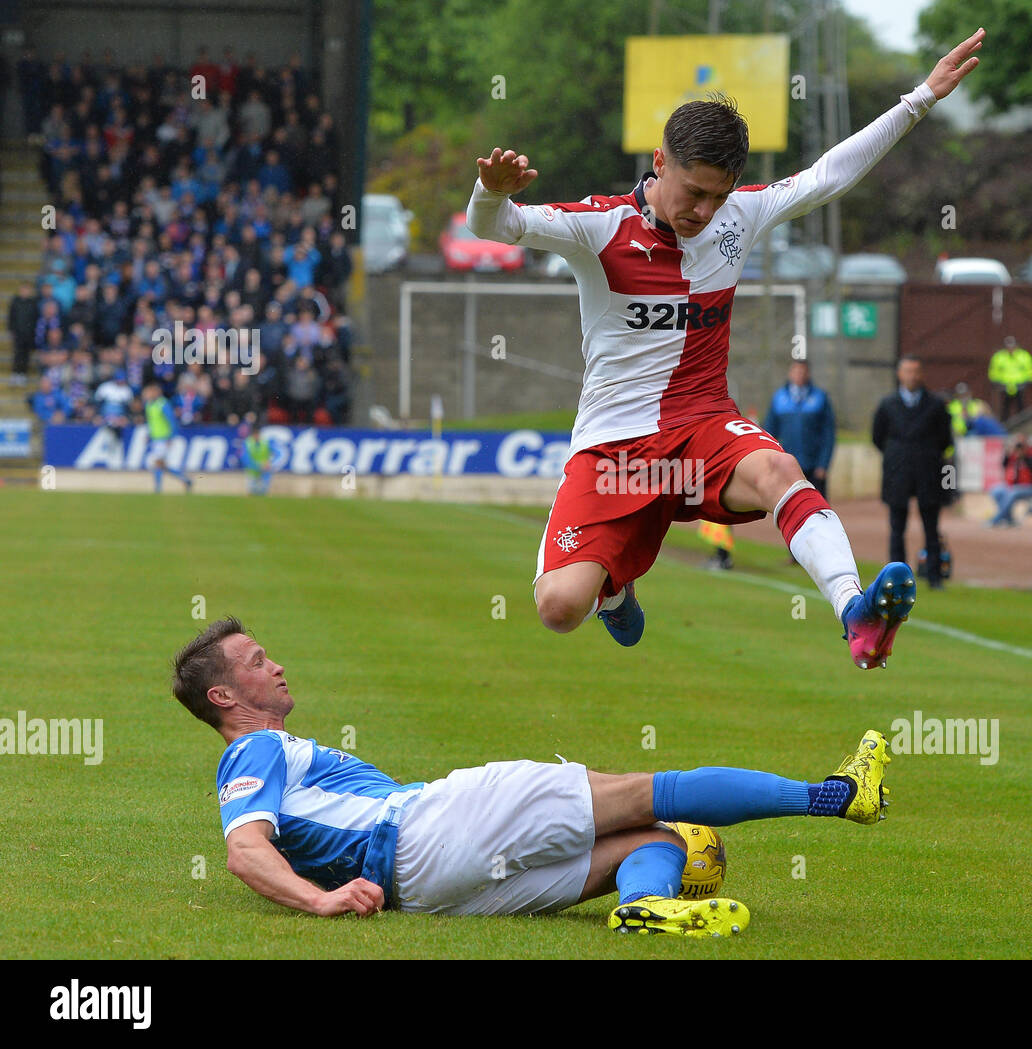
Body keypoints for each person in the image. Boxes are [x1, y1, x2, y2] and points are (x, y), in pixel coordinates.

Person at [465, 27, 986, 671]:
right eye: (694, 192)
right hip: (615, 451)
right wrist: (491, 191)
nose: (706, 210)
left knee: (779, 472)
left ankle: (856, 613)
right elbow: (498, 226)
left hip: (702, 430)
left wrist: (920, 98)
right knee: (558, 609)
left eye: (718, 194)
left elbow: (829, 175)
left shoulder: (740, 214)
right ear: (659, 163)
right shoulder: (598, 228)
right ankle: (613, 587)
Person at [173, 618, 893, 935]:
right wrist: (319, 902)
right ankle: (836, 795)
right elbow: (245, 850)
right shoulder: (253, 750)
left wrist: (332, 891)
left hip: (426, 892)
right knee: (649, 789)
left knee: (659, 838)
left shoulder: (273, 754)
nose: (277, 664)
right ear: (225, 697)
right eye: (258, 660)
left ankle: (648, 906)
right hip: (430, 825)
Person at [872, 356, 953, 590]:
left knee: (931, 527)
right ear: (900, 374)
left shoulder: (936, 405)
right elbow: (878, 437)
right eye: (907, 371)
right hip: (898, 472)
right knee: (897, 527)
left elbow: (945, 438)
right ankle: (896, 577)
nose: (912, 376)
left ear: (922, 374)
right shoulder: (888, 404)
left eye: (916, 371)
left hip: (928, 472)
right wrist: (897, 454)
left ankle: (935, 576)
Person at [762, 360, 836, 498]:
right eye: (796, 371)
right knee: (789, 509)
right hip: (787, 467)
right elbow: (769, 433)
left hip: (813, 467)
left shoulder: (820, 398)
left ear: (808, 374)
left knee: (817, 510)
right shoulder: (779, 398)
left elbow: (828, 434)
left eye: (803, 371)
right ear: (790, 373)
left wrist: (823, 464)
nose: (799, 375)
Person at [142, 382, 193, 492]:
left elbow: (172, 421)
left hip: (164, 439)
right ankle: (186, 480)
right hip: (155, 439)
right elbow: (151, 423)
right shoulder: (148, 405)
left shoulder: (163, 404)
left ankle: (158, 489)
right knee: (162, 466)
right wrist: (149, 435)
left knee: (157, 463)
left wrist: (171, 437)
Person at [987, 434, 1032, 527]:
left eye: (1021, 444)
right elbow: (1004, 465)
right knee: (996, 490)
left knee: (1013, 492)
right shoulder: (1014, 454)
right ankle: (1009, 519)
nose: (1019, 446)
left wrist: (1025, 457)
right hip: (1015, 486)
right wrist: (1008, 453)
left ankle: (995, 520)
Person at [987, 336, 1032, 421]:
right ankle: (1004, 427)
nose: (1010, 348)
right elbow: (993, 373)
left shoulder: (1024, 356)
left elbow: (1031, 371)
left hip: (1020, 386)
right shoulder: (999, 357)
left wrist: (1025, 383)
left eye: (1012, 346)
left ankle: (1022, 425)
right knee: (1004, 409)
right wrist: (999, 384)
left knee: (1021, 409)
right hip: (1004, 387)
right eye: (1008, 346)